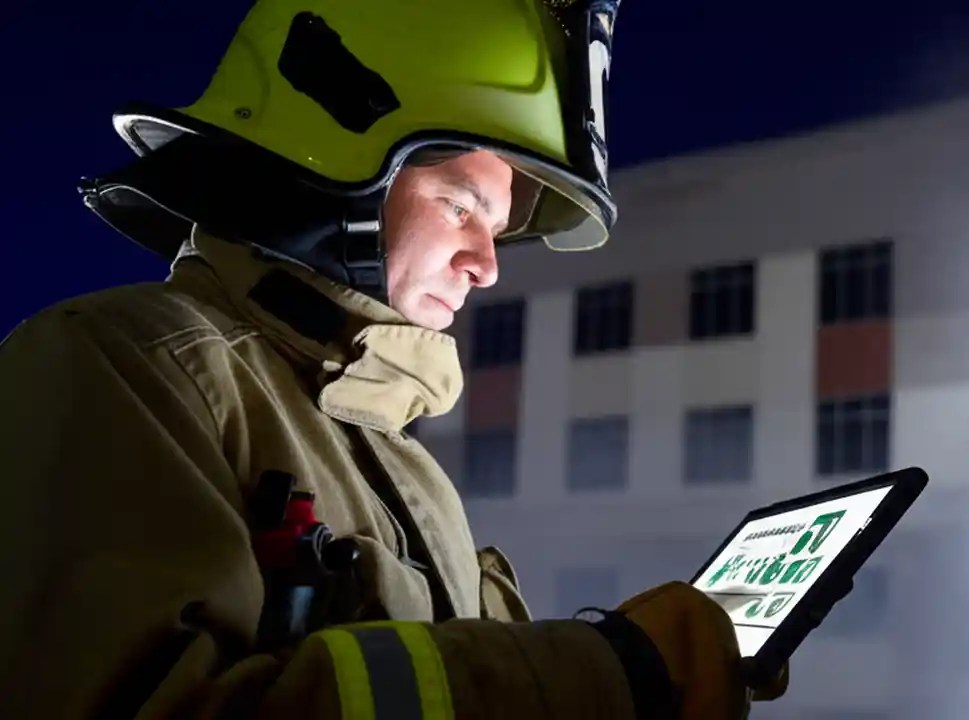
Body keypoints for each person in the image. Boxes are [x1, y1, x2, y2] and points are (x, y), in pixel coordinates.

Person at [0, 0, 786, 718]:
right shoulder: (124, 366)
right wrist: (602, 676)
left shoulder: (394, 453)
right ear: (332, 171)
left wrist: (646, 668)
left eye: (497, 227)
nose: (488, 264)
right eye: (459, 206)